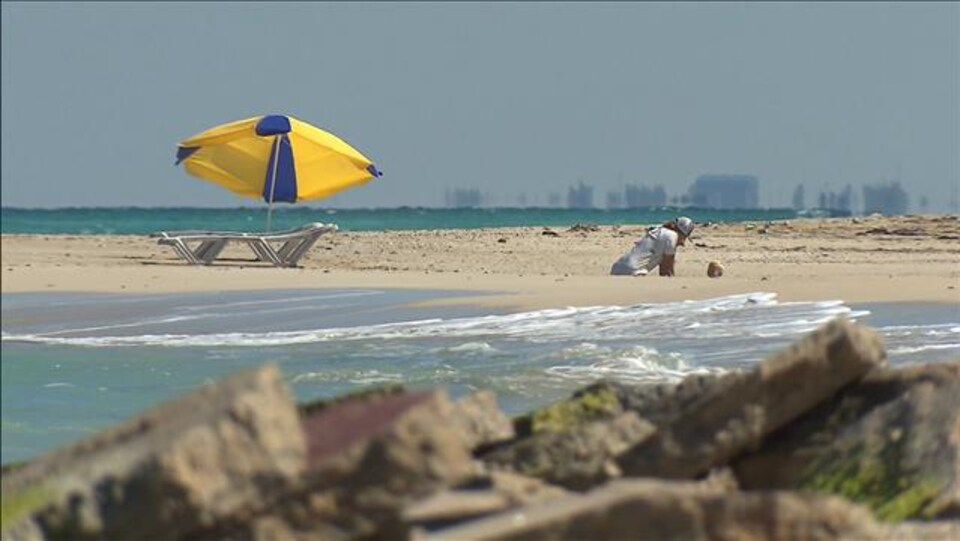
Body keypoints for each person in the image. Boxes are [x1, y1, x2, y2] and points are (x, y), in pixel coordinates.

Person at [610, 216, 695, 277]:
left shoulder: (658, 231)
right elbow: (666, 272)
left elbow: (663, 266)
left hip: (617, 268)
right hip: (632, 272)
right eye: (684, 238)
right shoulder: (672, 236)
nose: (683, 243)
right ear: (682, 234)